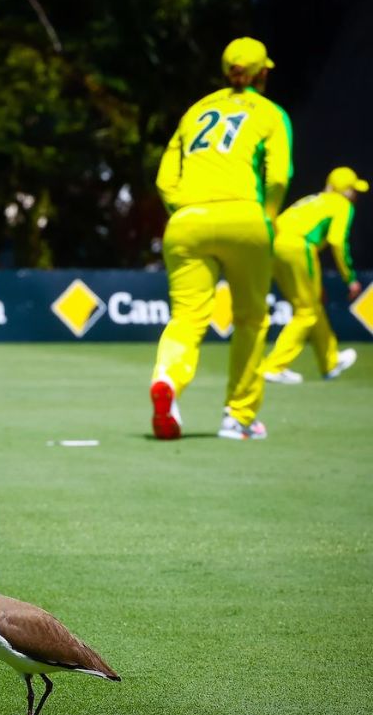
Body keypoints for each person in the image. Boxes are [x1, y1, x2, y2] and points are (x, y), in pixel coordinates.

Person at [150, 37, 293, 440]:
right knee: (250, 320)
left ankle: (168, 381)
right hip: (244, 218)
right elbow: (279, 176)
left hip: (187, 222)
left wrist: (187, 212)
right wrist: (267, 218)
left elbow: (164, 180)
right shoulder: (270, 113)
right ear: (263, 72)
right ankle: (239, 417)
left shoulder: (197, 110)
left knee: (187, 320)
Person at [261, 167, 365, 384]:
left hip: (275, 246)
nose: (355, 195)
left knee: (312, 306)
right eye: (353, 190)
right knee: (307, 312)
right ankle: (274, 366)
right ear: (345, 191)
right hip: (299, 247)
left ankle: (330, 362)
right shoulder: (341, 204)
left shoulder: (314, 199)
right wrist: (350, 278)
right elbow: (337, 241)